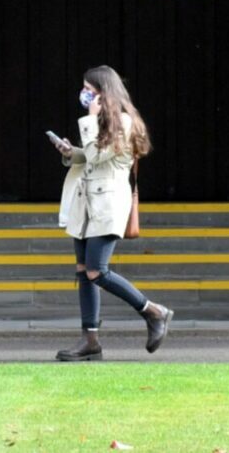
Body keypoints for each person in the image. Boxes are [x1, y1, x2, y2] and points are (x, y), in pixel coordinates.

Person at [50, 65, 174, 361]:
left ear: (105, 93)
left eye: (90, 91)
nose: (85, 96)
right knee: (84, 273)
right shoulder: (104, 122)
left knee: (97, 270)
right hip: (87, 206)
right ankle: (90, 341)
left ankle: (154, 312)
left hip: (107, 205)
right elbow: (93, 158)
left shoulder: (125, 122)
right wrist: (71, 152)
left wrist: (90, 120)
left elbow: (99, 155)